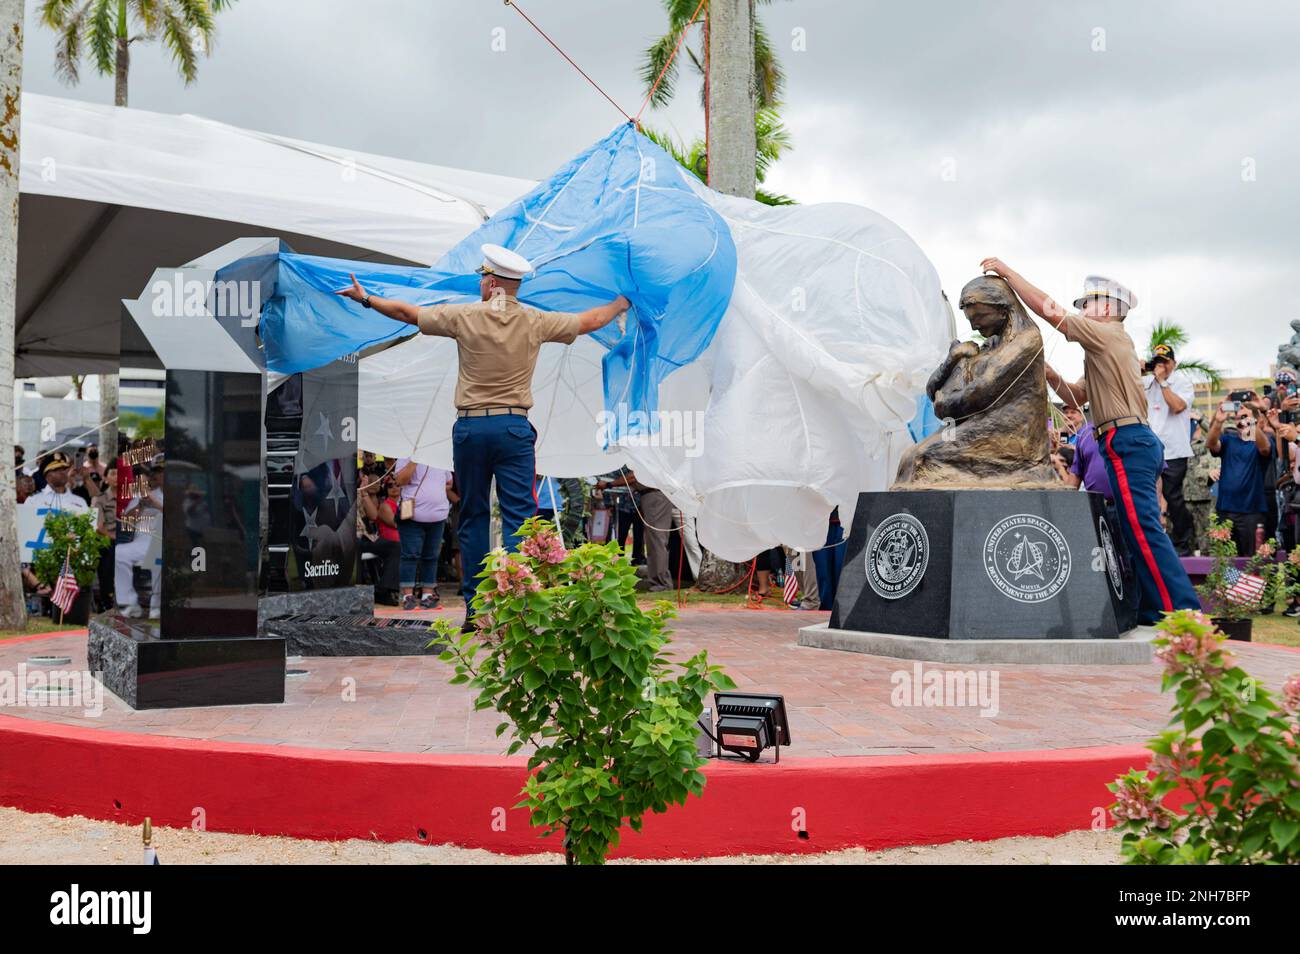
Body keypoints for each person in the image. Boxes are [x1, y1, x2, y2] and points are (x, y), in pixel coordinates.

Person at [336, 244, 630, 628]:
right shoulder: (535, 321)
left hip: (471, 427)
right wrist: (622, 302)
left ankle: (475, 610)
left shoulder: (465, 317)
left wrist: (366, 298)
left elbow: (408, 313)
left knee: (472, 515)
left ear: (491, 283)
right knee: (519, 517)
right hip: (514, 428)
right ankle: (517, 605)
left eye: (481, 278)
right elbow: (591, 320)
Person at [980, 262, 1199, 625]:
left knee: (1142, 528)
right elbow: (1077, 394)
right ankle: (1152, 609)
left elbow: (1052, 312)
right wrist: (1049, 373)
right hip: (1123, 439)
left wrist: (1009, 275)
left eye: (1089, 302)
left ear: (1109, 308)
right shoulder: (1106, 345)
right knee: (1132, 530)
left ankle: (1183, 611)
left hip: (1126, 439)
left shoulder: (1109, 334)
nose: (1081, 309)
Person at [1142, 344, 1196, 555]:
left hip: (1174, 451)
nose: (1160, 366)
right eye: (1157, 362)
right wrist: (1137, 370)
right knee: (1148, 497)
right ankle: (1155, 541)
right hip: (1149, 450)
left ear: (1173, 363)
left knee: (1173, 497)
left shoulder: (1181, 382)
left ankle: (1183, 541)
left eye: (1165, 362)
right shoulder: (1146, 383)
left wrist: (1163, 382)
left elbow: (1178, 407)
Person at [1207, 401, 1274, 555]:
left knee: (1251, 560)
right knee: (1225, 560)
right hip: (1225, 510)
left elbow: (1265, 449)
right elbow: (1211, 444)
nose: (1240, 420)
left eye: (1244, 416)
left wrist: (1251, 423)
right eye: (1238, 417)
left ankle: (1249, 581)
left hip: (1252, 513)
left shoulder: (1262, 441)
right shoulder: (1228, 439)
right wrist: (1218, 422)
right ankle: (1230, 581)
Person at [393, 457, 453, 611]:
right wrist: (415, 460)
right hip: (411, 515)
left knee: (431, 556)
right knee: (410, 555)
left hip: (438, 515)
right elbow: (400, 480)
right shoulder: (405, 455)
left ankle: (428, 595)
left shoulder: (439, 455)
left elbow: (449, 483)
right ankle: (407, 596)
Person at [115, 463, 163, 619]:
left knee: (158, 556)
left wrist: (156, 504)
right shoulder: (141, 495)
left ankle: (157, 606)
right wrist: (140, 505)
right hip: (141, 544)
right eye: (155, 471)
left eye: (161, 471)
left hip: (167, 543)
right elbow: (126, 522)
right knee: (119, 552)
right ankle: (129, 603)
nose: (157, 475)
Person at [358, 474, 402, 606]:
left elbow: (373, 516)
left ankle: (384, 590)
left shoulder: (357, 495)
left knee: (396, 547)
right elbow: (395, 524)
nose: (394, 488)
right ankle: (357, 592)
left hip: (364, 536)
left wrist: (364, 493)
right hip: (345, 538)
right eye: (390, 486)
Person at [90, 462, 117, 611]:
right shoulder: (99, 499)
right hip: (108, 541)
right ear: (105, 478)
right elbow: (99, 527)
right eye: (113, 473)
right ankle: (107, 600)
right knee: (109, 549)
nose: (117, 477)